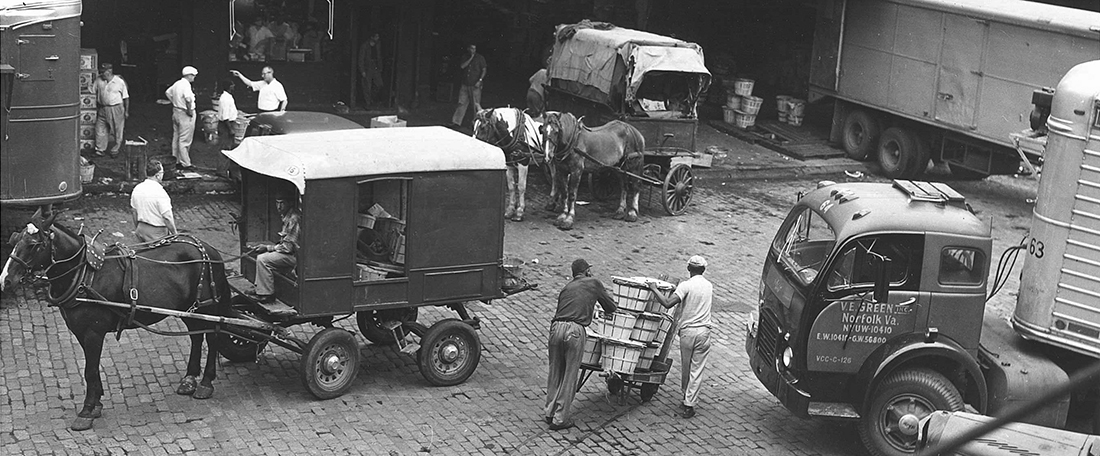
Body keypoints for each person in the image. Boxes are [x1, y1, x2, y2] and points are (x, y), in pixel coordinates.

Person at [544, 258, 618, 431]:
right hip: (574, 330)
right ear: (587, 272)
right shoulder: (594, 283)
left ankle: (549, 412)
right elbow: (611, 307)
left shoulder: (567, 288)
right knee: (570, 374)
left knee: (555, 372)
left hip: (555, 328)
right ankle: (560, 419)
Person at [648, 255, 713, 419]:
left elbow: (668, 303)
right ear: (703, 270)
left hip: (688, 332)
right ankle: (689, 402)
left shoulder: (686, 286)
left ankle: (686, 397)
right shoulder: (708, 286)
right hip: (704, 332)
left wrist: (654, 288)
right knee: (697, 369)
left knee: (687, 366)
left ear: (689, 269)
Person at [248, 190, 301, 303]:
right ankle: (260, 288)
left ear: (290, 203)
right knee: (263, 256)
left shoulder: (294, 219)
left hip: (297, 258)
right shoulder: (287, 215)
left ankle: (266, 294)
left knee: (263, 259)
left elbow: (287, 248)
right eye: (277, 203)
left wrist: (268, 248)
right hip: (291, 253)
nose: (279, 206)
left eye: (282, 203)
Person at [130, 160, 177, 242]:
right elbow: (167, 217)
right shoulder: (160, 193)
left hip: (141, 229)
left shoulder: (137, 188)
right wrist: (174, 233)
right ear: (158, 175)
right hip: (157, 232)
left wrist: (137, 227)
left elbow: (134, 212)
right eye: (162, 172)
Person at [92, 63, 130, 158]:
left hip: (116, 108)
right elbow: (91, 90)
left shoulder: (119, 82)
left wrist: (126, 111)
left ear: (109, 71)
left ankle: (115, 150)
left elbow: (126, 97)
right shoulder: (99, 80)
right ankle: (100, 150)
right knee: (100, 128)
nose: (101, 74)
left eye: (103, 72)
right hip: (103, 107)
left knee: (117, 129)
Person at [165, 66, 198, 171]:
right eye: (193, 75)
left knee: (176, 137)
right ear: (189, 75)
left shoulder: (177, 83)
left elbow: (167, 92)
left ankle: (176, 160)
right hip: (184, 113)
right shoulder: (186, 85)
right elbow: (188, 100)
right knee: (185, 139)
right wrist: (189, 110)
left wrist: (175, 102)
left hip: (176, 111)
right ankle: (185, 163)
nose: (194, 77)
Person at [450, 43, 486, 128]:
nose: (473, 50)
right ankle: (456, 122)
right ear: (468, 49)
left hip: (475, 85)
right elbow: (462, 66)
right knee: (461, 103)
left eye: (474, 49)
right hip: (465, 84)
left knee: (476, 105)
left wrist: (480, 80)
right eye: (471, 48)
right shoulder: (465, 57)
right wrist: (471, 58)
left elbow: (484, 70)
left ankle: (476, 124)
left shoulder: (480, 58)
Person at [358, 33, 383, 107]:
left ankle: (371, 98)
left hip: (375, 66)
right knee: (367, 86)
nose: (377, 38)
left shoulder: (378, 45)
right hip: (367, 67)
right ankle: (368, 103)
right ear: (371, 37)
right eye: (376, 37)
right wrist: (362, 70)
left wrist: (380, 67)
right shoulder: (365, 46)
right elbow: (361, 58)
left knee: (379, 84)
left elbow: (379, 56)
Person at [216, 77, 239, 149]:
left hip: (229, 123)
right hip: (226, 125)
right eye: (232, 85)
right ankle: (222, 159)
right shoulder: (225, 99)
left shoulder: (228, 96)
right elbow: (225, 116)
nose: (234, 86)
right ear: (229, 87)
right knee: (225, 145)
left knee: (230, 144)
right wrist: (230, 129)